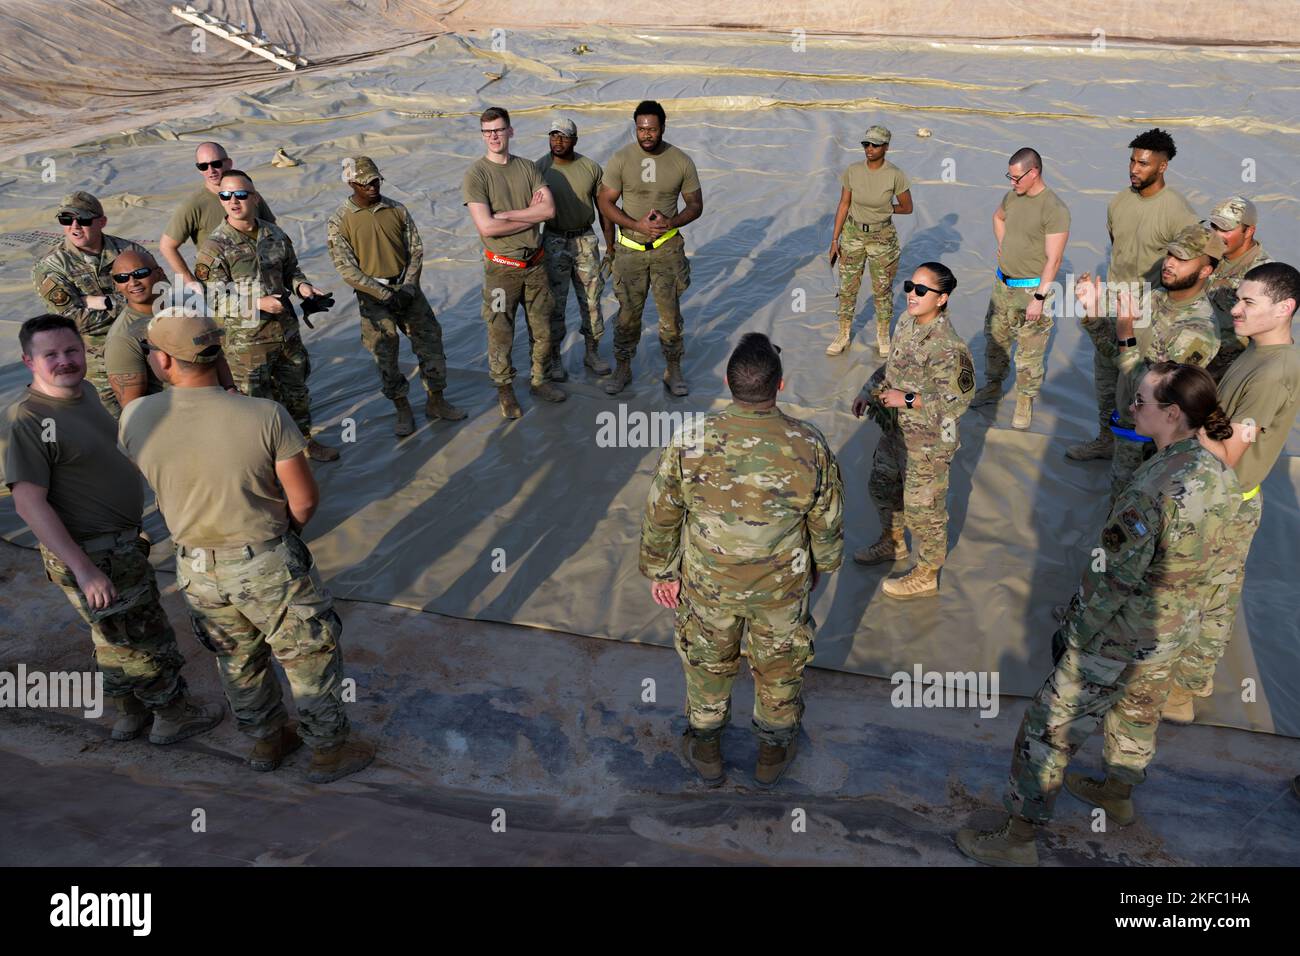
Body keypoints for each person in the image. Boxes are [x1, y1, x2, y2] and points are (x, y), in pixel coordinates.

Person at [957, 362, 1241, 866]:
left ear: (1171, 414)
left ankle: (1018, 838)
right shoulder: (1219, 473)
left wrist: (1074, 634)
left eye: (1142, 402)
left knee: (1047, 729)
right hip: (1172, 632)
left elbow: (1110, 582)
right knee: (1138, 711)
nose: (1132, 408)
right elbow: (1224, 571)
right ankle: (1117, 791)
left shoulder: (1152, 489)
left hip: (1118, 637)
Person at [119, 309, 373, 781]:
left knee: (237, 659)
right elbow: (304, 499)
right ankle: (327, 753)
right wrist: (282, 536)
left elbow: (139, 480)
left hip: (194, 567)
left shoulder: (136, 417)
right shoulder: (264, 415)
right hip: (265, 558)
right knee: (306, 656)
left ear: (164, 362)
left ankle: (265, 741)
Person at [2, 314, 221, 745]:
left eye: (71, 351)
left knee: (112, 637)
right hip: (94, 552)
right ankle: (174, 715)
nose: (64, 361)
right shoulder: (29, 419)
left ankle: (130, 712)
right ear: (29, 361)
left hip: (114, 545)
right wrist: (84, 569)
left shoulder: (80, 395)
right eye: (51, 355)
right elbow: (29, 503)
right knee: (144, 637)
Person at [640, 332, 843, 787]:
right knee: (779, 669)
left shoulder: (690, 441)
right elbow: (827, 523)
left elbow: (662, 513)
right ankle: (772, 754)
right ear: (781, 385)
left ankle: (707, 750)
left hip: (708, 587)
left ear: (730, 385)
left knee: (708, 666)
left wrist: (661, 571)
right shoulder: (809, 445)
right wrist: (819, 566)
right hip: (781, 588)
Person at [1165, 262, 1300, 723]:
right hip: (1221, 492)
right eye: (1237, 299)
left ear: (1285, 308)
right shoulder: (1258, 351)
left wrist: (1185, 430)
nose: (1235, 310)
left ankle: (1182, 693)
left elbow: (1230, 452)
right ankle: (1192, 679)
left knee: (1203, 597)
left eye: (1248, 302)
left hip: (1225, 499)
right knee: (1211, 591)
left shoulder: (1272, 373)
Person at [1069, 128, 1198, 461]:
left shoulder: (1177, 212)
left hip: (1148, 312)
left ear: (1162, 166)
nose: (1134, 169)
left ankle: (1143, 453)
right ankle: (1104, 439)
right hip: (1113, 301)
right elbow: (1119, 246)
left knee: (1138, 385)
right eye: (1132, 161)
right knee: (1105, 378)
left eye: (1142, 163)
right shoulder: (1120, 201)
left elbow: (1187, 266)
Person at [196, 168, 339, 461]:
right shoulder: (214, 247)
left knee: (296, 394)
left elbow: (291, 272)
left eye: (240, 194)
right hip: (247, 345)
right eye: (226, 195)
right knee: (256, 407)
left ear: (255, 197)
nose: (233, 201)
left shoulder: (274, 234)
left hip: (285, 334)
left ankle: (304, 445)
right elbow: (213, 298)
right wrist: (257, 304)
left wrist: (304, 289)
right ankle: (267, 462)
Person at [851, 263, 976, 599]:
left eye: (922, 290)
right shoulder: (906, 323)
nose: (912, 294)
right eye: (910, 286)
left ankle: (927, 573)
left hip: (930, 440)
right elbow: (893, 366)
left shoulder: (948, 346)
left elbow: (958, 401)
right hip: (897, 433)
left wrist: (908, 399)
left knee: (925, 511)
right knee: (881, 487)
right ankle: (892, 543)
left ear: (942, 298)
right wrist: (869, 390)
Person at [1075, 223, 1221, 499]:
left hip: (1153, 448)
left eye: (1182, 259)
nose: (1169, 264)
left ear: (1205, 271)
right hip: (1129, 430)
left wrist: (1126, 333)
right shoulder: (1154, 297)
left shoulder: (1198, 329)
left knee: (1142, 514)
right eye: (1170, 255)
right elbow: (1115, 354)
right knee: (1119, 501)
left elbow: (1155, 390)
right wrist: (1093, 313)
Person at [326, 156, 465, 437]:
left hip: (407, 291)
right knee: (385, 355)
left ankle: (436, 401)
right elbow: (346, 268)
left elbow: (416, 249)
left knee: (431, 344)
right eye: (365, 183)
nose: (372, 187)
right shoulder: (340, 220)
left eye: (376, 181)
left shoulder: (397, 209)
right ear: (351, 184)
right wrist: (382, 294)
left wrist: (409, 286)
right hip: (374, 299)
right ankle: (402, 407)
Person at [462, 107, 566, 419]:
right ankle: (505, 390)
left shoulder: (528, 168)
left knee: (542, 329)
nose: (493, 136)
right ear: (483, 135)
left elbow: (548, 211)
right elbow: (487, 228)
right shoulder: (476, 175)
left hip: (535, 266)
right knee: (500, 332)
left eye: (498, 129)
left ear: (510, 131)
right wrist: (526, 214)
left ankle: (539, 380)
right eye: (487, 131)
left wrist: (507, 214)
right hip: (501, 270)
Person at [597, 100, 703, 396]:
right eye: (641, 129)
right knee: (628, 314)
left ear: (662, 128)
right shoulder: (620, 159)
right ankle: (622, 367)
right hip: (630, 251)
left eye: (652, 129)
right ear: (635, 129)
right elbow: (605, 202)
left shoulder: (681, 160)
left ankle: (674, 368)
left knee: (670, 315)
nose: (646, 135)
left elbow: (696, 204)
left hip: (666, 250)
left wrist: (672, 221)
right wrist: (635, 225)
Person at [969, 147, 1069, 430]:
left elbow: (1055, 259)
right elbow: (997, 218)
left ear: (1033, 172)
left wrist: (1039, 297)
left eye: (1016, 178)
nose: (1012, 183)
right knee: (995, 340)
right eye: (1009, 177)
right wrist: (1002, 244)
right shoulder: (1012, 197)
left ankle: (1025, 400)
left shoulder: (1055, 209)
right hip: (1003, 285)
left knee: (1029, 354)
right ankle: (993, 386)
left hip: (1032, 291)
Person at [31, 191, 146, 417]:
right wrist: (131, 301)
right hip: (97, 363)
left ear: (102, 222)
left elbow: (160, 295)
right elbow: (73, 321)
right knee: (113, 426)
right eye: (66, 220)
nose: (74, 226)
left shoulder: (129, 252)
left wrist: (103, 302)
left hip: (143, 347)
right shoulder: (51, 266)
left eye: (83, 220)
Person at [105, 249, 236, 409]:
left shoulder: (184, 307)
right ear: (116, 285)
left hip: (216, 401)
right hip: (177, 415)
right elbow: (133, 407)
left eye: (140, 273)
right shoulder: (123, 337)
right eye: (122, 278)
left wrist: (230, 389)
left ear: (159, 273)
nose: (133, 282)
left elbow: (214, 352)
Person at [536, 116, 614, 379]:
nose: (558, 141)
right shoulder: (539, 169)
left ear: (575, 140)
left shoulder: (590, 167)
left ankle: (592, 353)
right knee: (554, 303)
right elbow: (531, 211)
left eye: (564, 136)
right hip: (554, 239)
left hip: (584, 240)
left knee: (592, 301)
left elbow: (605, 209)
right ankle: (555, 359)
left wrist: (610, 246)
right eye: (554, 135)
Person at [827, 124, 912, 357]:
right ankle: (843, 334)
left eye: (875, 145)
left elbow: (907, 207)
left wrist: (885, 209)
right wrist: (835, 240)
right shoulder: (853, 171)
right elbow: (844, 205)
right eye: (866, 144)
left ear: (886, 147)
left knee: (882, 289)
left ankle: (883, 334)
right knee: (847, 287)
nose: (869, 149)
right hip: (853, 235)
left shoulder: (895, 175)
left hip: (882, 238)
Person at [160, 141, 275, 290]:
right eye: (203, 166)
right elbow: (166, 246)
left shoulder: (248, 195)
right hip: (226, 291)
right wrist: (190, 281)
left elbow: (271, 231)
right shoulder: (195, 205)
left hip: (262, 281)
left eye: (216, 164)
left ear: (229, 163)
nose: (211, 170)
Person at [1204, 196, 1272, 381]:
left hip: (1225, 373)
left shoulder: (1263, 276)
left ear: (1249, 231)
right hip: (1195, 358)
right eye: (1214, 227)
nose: (1217, 235)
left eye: (1225, 229)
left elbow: (1266, 341)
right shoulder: (1208, 255)